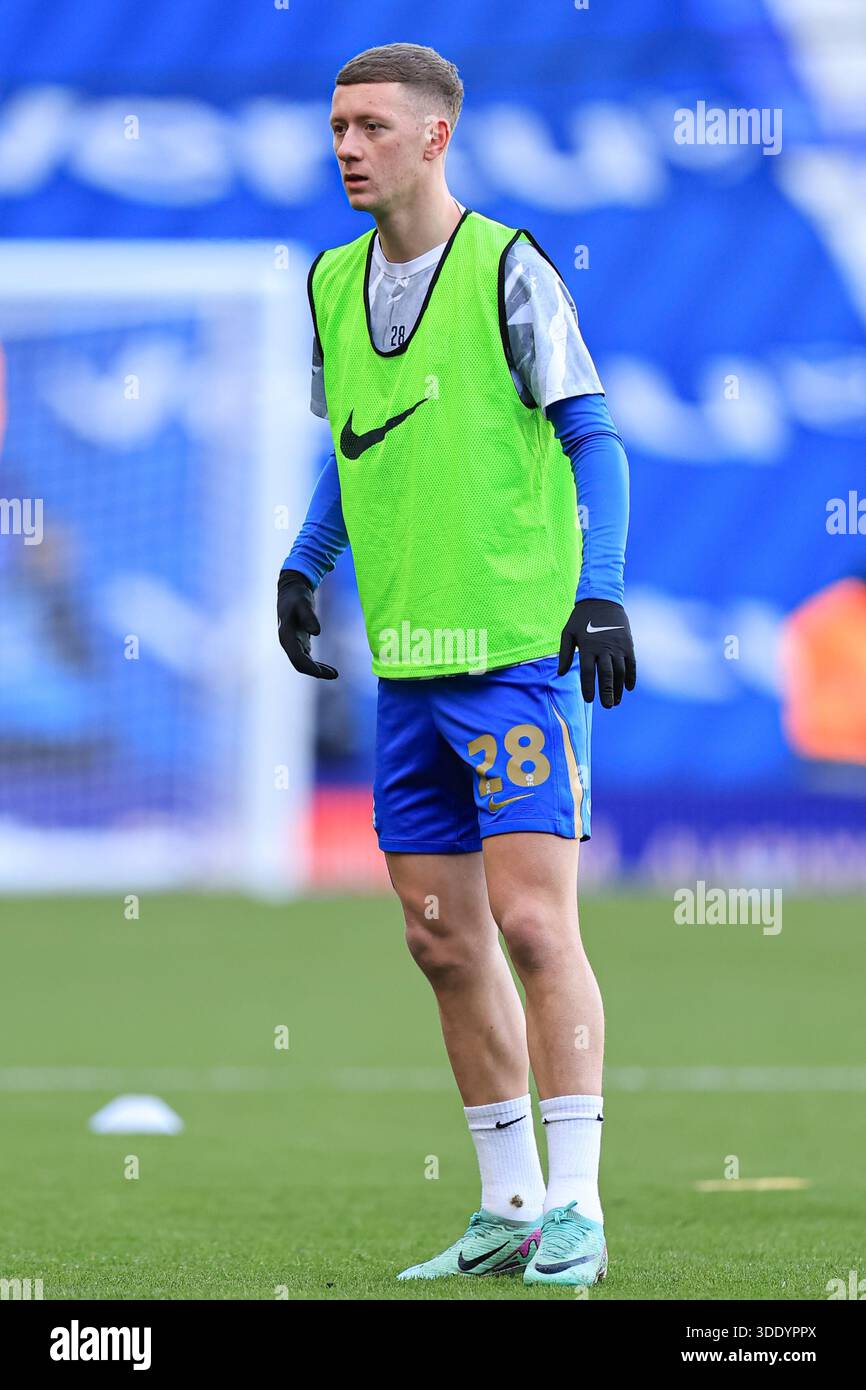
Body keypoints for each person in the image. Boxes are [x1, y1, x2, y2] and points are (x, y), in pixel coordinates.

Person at [278, 42, 635, 1287]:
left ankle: (579, 1210)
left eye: (371, 124)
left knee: (534, 926)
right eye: (336, 125)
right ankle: (507, 1207)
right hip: (408, 669)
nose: (345, 145)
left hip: (515, 663)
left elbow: (596, 441)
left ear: (434, 137)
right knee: (440, 939)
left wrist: (597, 596)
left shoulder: (507, 269)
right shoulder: (327, 281)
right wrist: (300, 562)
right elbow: (354, 443)